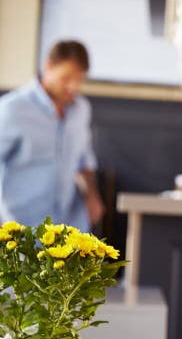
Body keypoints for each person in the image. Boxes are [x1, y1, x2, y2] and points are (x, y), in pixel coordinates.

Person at [0, 40, 104, 231]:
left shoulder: (81, 110)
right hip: (21, 230)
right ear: (48, 66)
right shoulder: (12, 110)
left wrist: (92, 194)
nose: (73, 88)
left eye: (79, 81)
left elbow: (84, 159)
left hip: (68, 228)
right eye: (66, 78)